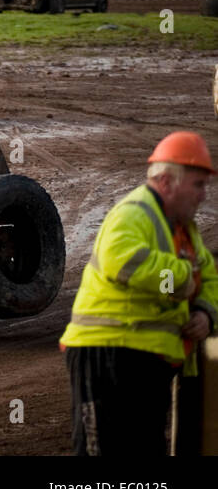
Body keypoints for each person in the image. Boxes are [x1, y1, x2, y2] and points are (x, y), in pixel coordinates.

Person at [60, 131, 218, 455]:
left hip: (147, 360)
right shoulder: (134, 212)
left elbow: (211, 279)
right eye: (198, 185)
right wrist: (179, 281)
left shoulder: (184, 230)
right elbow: (124, 262)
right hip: (107, 353)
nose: (204, 195)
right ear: (167, 182)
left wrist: (205, 313)